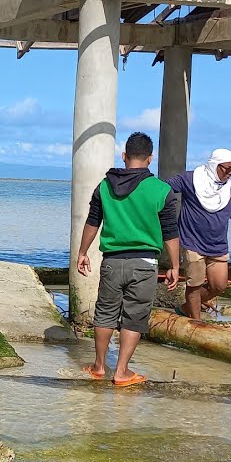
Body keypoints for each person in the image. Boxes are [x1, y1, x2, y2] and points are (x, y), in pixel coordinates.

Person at [75, 132, 180, 387]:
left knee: (105, 313)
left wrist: (82, 252)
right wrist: (175, 266)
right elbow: (170, 232)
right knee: (135, 317)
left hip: (112, 261)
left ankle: (99, 366)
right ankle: (121, 372)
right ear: (150, 158)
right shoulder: (162, 190)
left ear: (124, 156)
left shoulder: (104, 186)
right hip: (145, 263)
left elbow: (92, 222)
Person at [166, 148, 231, 321]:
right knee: (194, 285)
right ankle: (196, 322)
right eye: (227, 168)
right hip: (192, 241)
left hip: (218, 245)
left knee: (219, 285)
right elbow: (163, 188)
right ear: (214, 165)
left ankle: (186, 308)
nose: (230, 172)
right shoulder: (190, 179)